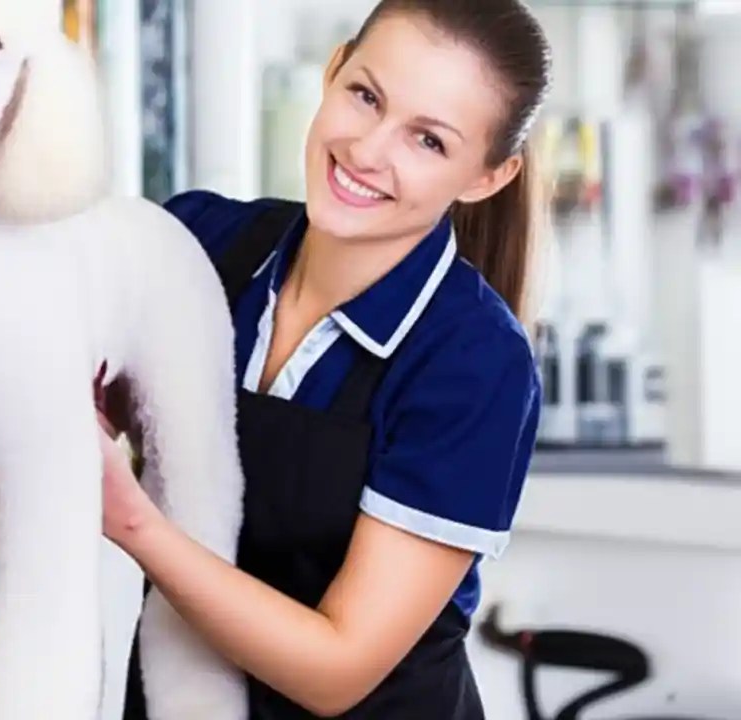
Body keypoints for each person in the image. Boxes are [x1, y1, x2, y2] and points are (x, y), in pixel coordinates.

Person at [95, 0, 551, 717]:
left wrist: (131, 520)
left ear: (487, 177)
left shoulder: (475, 364)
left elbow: (337, 669)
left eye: (428, 140)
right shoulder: (199, 244)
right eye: (366, 96)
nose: (368, 151)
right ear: (334, 70)